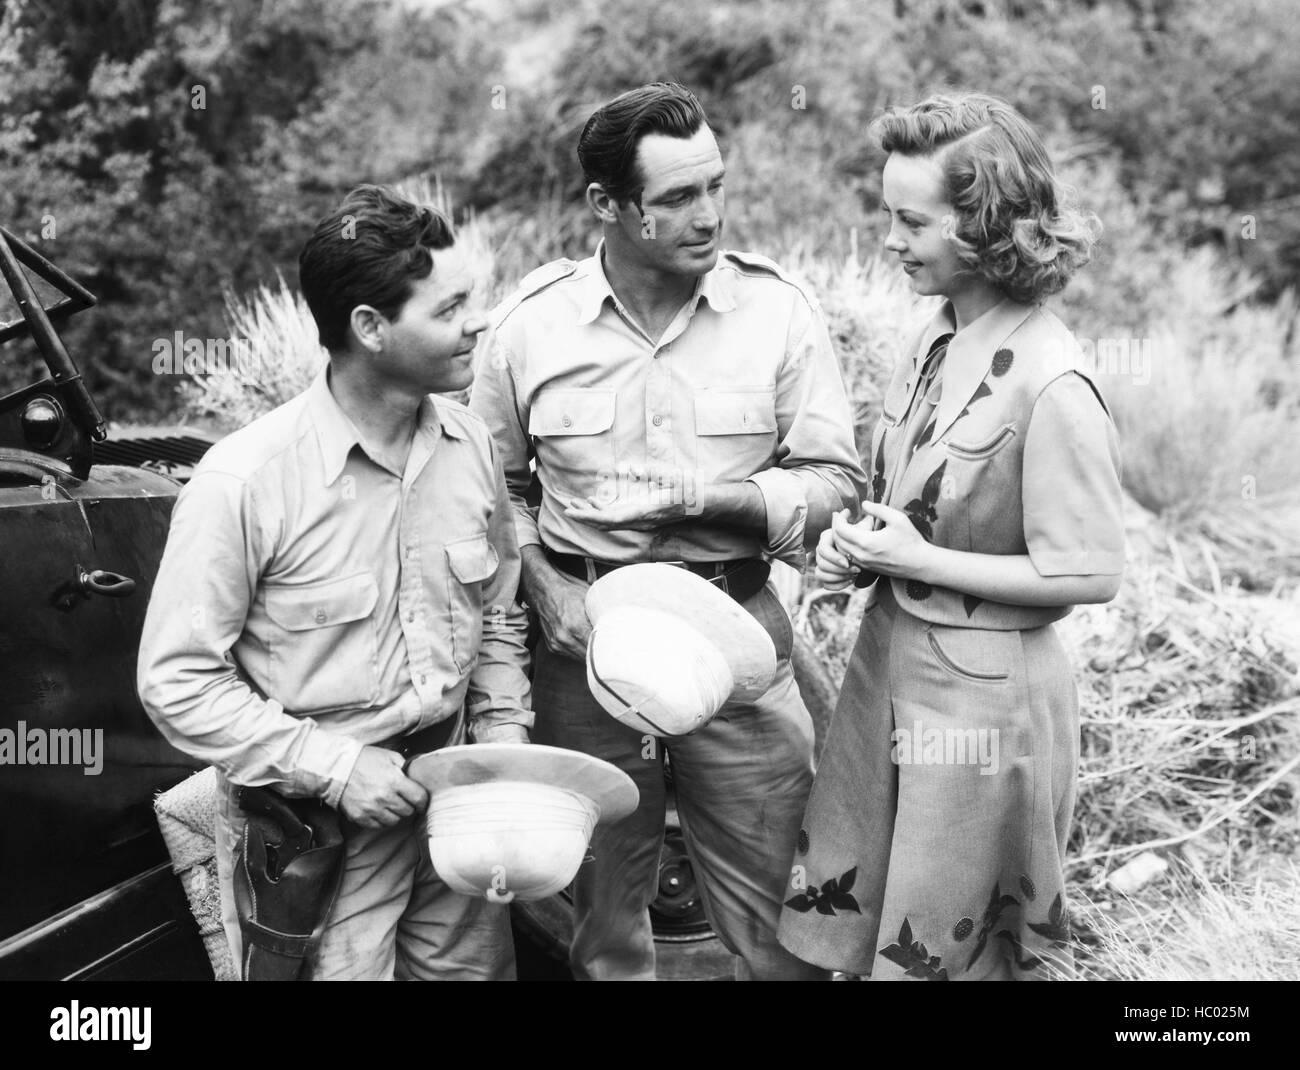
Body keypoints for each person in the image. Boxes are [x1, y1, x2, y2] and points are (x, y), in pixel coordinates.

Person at [469, 82, 866, 981]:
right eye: (679, 198)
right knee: (603, 921)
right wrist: (541, 579)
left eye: (716, 186)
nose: (710, 216)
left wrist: (723, 500)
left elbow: (839, 485)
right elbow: (489, 486)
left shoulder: (778, 311)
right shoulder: (529, 328)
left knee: (787, 926)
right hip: (584, 664)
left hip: (741, 655)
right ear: (607, 205)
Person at [137, 184, 531, 981]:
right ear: (370, 328)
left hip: (458, 812)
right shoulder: (246, 483)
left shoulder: (470, 447)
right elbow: (176, 682)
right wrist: (338, 768)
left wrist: (503, 734)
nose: (478, 322)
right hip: (317, 842)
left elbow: (496, 612)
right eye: (450, 307)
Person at [777, 93, 1123, 981]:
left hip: (984, 710)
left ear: (987, 226)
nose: (889, 238)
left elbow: (1090, 571)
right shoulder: (934, 337)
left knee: (948, 951)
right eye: (886, 213)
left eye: (910, 220)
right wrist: (857, 548)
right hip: (889, 667)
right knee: (860, 922)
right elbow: (913, 500)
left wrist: (919, 560)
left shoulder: (1054, 382)